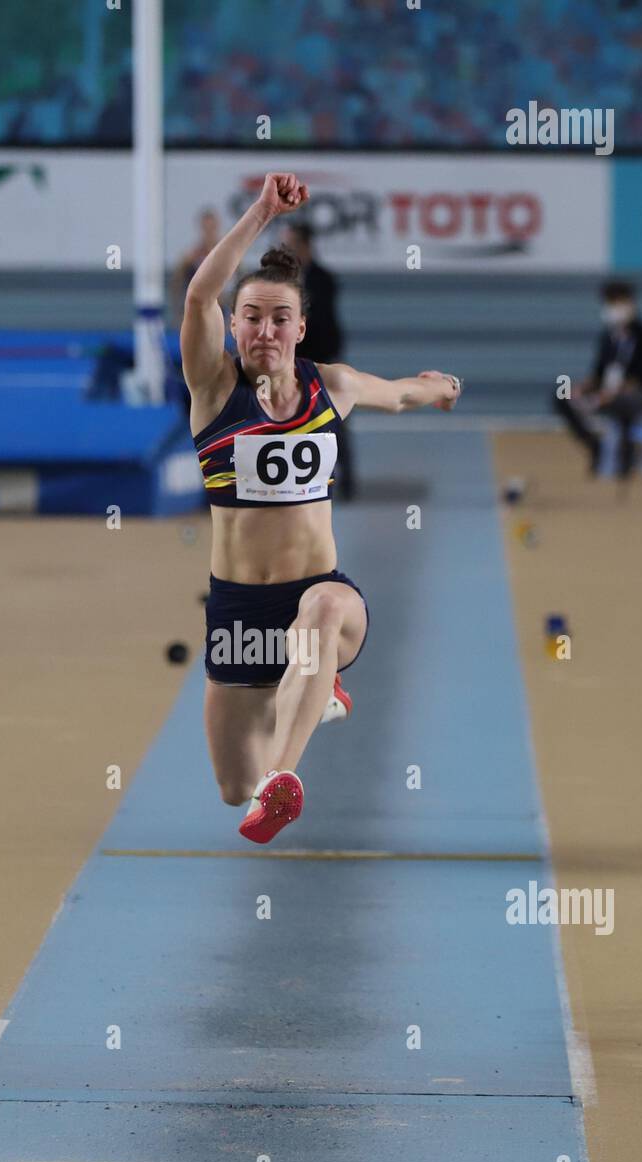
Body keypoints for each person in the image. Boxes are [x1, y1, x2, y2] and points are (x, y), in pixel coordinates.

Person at [180, 172, 461, 844]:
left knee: (325, 610)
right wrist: (261, 213)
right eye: (251, 316)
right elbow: (197, 296)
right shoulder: (215, 389)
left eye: (280, 318)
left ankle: (286, 773)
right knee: (230, 787)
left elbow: (395, 394)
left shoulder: (329, 388)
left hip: (319, 595)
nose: (265, 330)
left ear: (301, 327)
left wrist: (438, 388)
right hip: (239, 609)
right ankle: (311, 700)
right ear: (236, 326)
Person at [554, 281, 642, 477]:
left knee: (622, 403)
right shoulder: (608, 336)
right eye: (610, 303)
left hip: (639, 395)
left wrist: (613, 392)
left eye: (617, 302)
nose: (613, 308)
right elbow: (598, 373)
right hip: (608, 392)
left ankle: (625, 460)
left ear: (630, 304)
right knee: (562, 397)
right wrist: (581, 388)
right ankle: (595, 447)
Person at [282, 220, 356, 500]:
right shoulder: (281, 282)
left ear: (303, 246)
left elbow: (325, 323)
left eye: (290, 245)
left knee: (335, 421)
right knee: (295, 422)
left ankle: (346, 480)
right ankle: (302, 478)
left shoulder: (323, 280)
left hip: (323, 359)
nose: (285, 249)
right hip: (294, 363)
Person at [171, 208, 222, 327]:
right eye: (206, 228)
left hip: (222, 307)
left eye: (212, 228)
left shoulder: (228, 254)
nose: (209, 232)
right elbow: (176, 284)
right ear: (201, 228)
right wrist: (178, 313)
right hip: (198, 309)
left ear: (217, 227)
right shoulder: (191, 257)